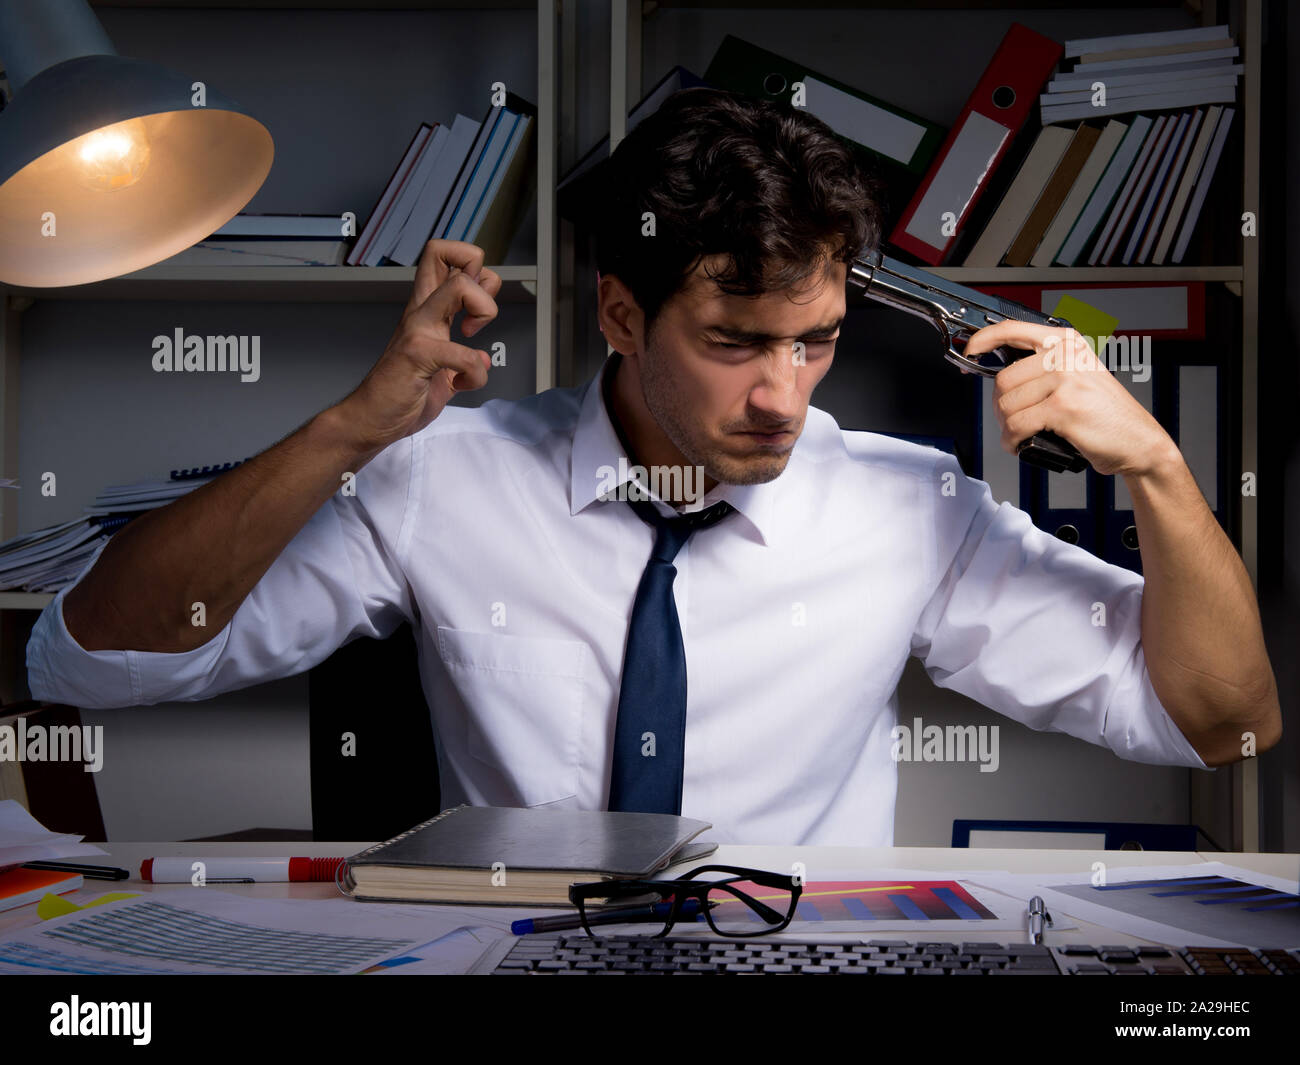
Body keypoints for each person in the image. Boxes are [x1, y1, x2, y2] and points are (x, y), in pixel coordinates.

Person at [26, 88, 1280, 846]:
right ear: (621, 316)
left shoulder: (911, 510)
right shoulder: (436, 479)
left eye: (816, 343)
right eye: (734, 343)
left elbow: (1226, 728)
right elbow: (95, 659)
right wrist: (349, 431)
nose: (782, 396)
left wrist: (1159, 471)